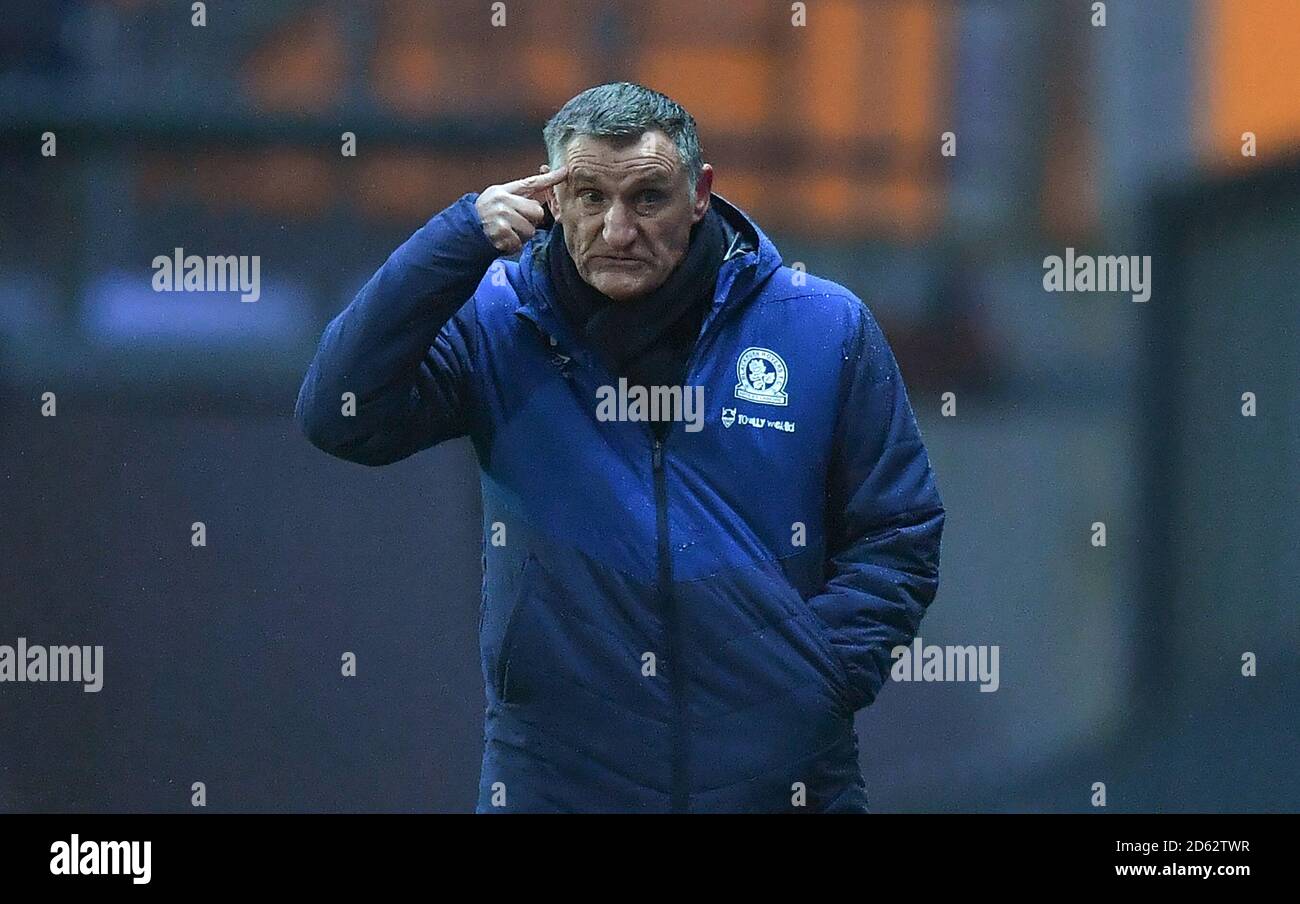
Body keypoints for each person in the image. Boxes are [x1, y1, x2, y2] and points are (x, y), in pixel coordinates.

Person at [295, 82, 945, 813]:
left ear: (700, 195)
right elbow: (340, 415)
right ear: (549, 197)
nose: (616, 230)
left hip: (786, 784)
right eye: (589, 197)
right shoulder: (497, 323)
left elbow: (899, 530)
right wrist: (454, 240)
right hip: (557, 783)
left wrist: (812, 681)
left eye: (647, 199)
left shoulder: (821, 325)